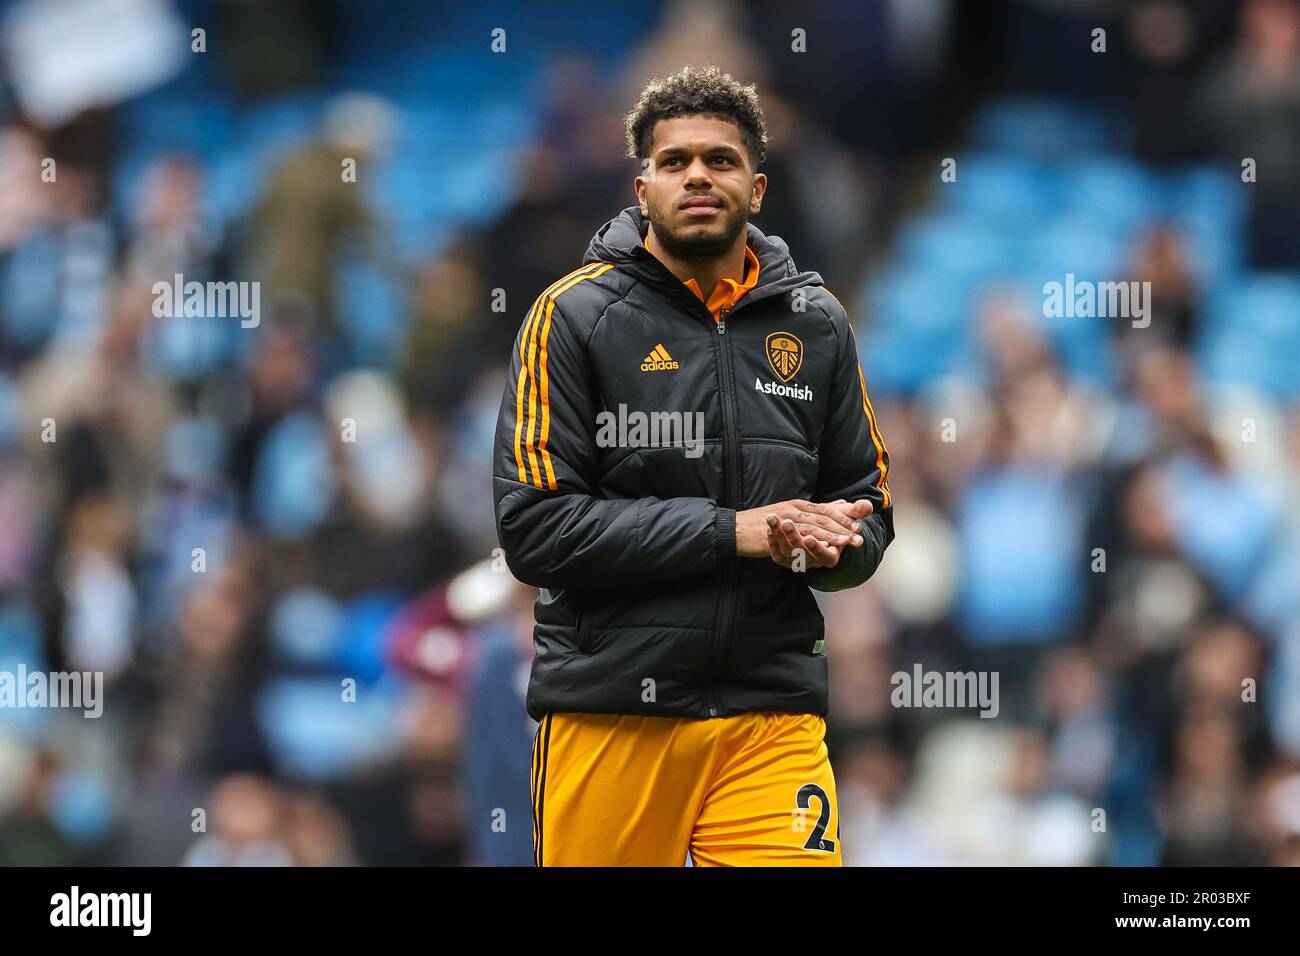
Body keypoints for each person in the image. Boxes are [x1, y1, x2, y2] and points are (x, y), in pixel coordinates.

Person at [492, 65, 894, 866]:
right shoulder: (571, 318)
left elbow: (868, 506)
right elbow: (534, 530)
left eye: (721, 159)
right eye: (674, 162)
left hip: (770, 712)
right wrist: (732, 533)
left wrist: (836, 545)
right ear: (642, 189)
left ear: (759, 186)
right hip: (611, 711)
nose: (698, 177)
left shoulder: (817, 326)